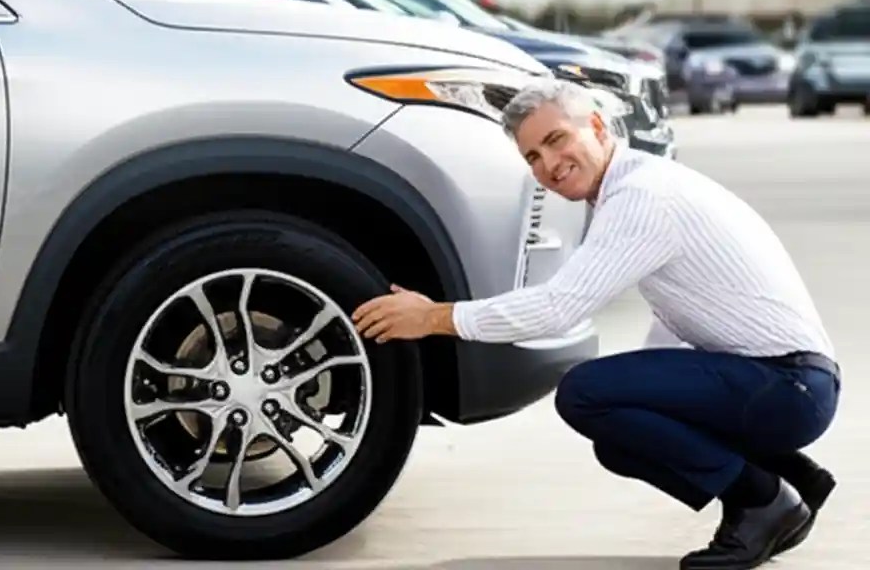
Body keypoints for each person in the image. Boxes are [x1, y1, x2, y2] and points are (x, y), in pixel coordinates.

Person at [352, 79, 840, 570]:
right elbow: (675, 319)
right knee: (618, 441)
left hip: (787, 387)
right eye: (532, 158)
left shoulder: (642, 197)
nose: (548, 165)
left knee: (584, 392)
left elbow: (558, 308)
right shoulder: (635, 186)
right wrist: (642, 400)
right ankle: (791, 479)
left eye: (557, 139)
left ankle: (761, 502)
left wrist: (434, 317)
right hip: (782, 383)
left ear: (598, 127)